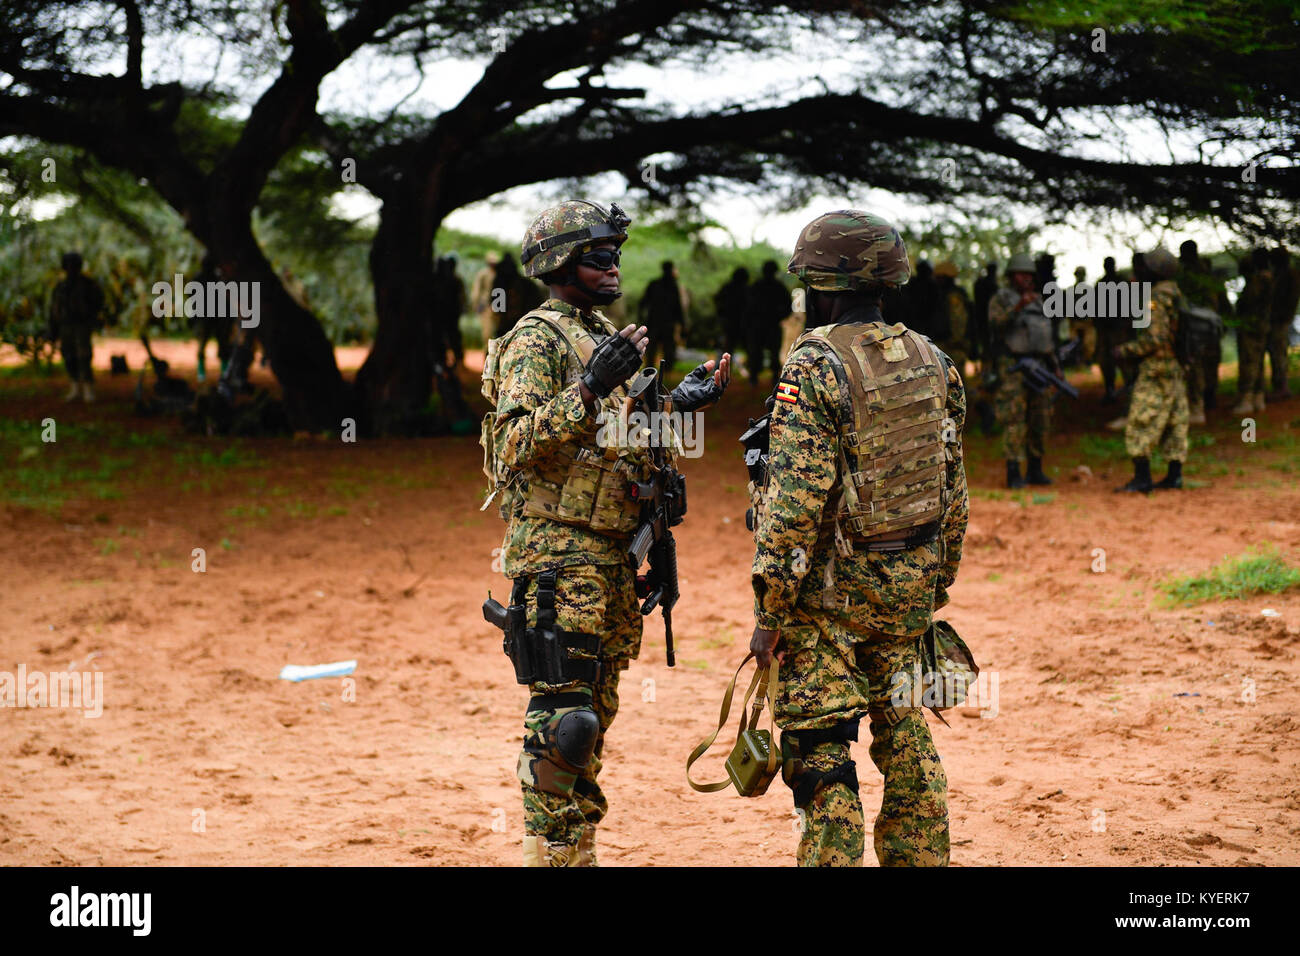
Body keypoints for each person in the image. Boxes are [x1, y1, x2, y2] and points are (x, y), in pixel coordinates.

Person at [482, 199, 730, 867]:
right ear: (559, 264)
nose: (613, 264)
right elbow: (515, 445)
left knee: (592, 724)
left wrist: (678, 402)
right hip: (561, 558)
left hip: (612, 559)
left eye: (615, 252)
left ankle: (574, 854)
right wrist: (591, 384)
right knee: (565, 724)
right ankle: (554, 856)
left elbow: (615, 438)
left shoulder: (601, 333)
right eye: (598, 256)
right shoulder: (537, 339)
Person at [748, 209, 968, 867]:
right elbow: (953, 491)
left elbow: (794, 508)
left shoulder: (814, 365)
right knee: (905, 731)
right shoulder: (936, 362)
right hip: (907, 587)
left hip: (827, 598)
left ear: (821, 281)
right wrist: (935, 580)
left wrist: (770, 611)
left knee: (819, 744)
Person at [1115, 247, 1188, 492]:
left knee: (1141, 419)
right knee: (1175, 420)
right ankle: (1174, 476)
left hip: (1156, 366)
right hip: (1175, 366)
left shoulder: (1155, 298)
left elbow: (1154, 339)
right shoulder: (1176, 294)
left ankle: (1142, 478)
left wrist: (1124, 351)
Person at [988, 252, 1055, 487]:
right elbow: (995, 323)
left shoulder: (1038, 301)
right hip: (1013, 367)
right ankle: (1014, 471)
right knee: (1014, 419)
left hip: (1039, 365)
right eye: (1021, 273)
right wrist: (1017, 307)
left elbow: (1046, 336)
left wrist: (1055, 367)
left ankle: (1036, 468)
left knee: (1040, 417)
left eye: (1029, 274)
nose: (1025, 278)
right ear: (1011, 275)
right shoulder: (1002, 299)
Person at [49, 251, 105, 402]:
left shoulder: (87, 285)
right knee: (69, 355)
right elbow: (54, 309)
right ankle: (75, 387)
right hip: (66, 325)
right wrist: (53, 328)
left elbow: (98, 303)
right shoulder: (61, 287)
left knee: (84, 355)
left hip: (81, 325)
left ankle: (87, 387)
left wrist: (90, 318)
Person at [1232, 248, 1273, 415]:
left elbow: (1249, 303)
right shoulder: (1267, 279)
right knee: (1257, 362)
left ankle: (1248, 398)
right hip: (1260, 326)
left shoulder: (1259, 281)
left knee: (1249, 362)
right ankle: (1257, 396)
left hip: (1252, 327)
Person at [745, 260, 792, 385]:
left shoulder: (759, 286)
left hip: (765, 324)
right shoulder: (776, 287)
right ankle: (762, 376)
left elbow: (788, 307)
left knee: (765, 352)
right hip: (764, 324)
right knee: (762, 351)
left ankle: (760, 377)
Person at [637, 260, 686, 370]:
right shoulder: (672, 286)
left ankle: (653, 370)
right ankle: (663, 370)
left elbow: (642, 303)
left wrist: (641, 318)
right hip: (663, 323)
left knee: (658, 348)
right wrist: (682, 324)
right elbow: (678, 308)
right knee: (664, 348)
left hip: (656, 322)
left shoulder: (655, 284)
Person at [1094, 256, 1130, 403]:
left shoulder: (1122, 282)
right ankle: (1110, 390)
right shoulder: (1101, 284)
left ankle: (1128, 389)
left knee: (1123, 360)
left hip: (1119, 329)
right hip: (1106, 329)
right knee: (1106, 362)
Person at [490, 253, 545, 338]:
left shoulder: (500, 283)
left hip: (521, 325)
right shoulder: (500, 284)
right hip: (519, 326)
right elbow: (497, 309)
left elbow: (496, 309)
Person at [1267, 246, 1297, 400]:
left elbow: (1291, 298)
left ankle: (1282, 386)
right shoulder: (1280, 274)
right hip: (1277, 319)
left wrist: (1283, 316)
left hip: (1280, 320)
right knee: (1277, 352)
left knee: (1279, 353)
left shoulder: (1289, 275)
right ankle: (1279, 385)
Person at [933, 260, 970, 380]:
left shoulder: (953, 296)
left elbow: (958, 322)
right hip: (944, 345)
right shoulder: (942, 294)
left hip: (953, 348)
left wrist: (955, 341)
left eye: (940, 278)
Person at [714, 266, 750, 358]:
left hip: (736, 323)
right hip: (735, 323)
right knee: (728, 348)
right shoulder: (745, 290)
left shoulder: (728, 287)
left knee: (727, 348)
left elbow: (717, 300)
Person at [471, 251, 502, 344]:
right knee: (487, 332)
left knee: (497, 331)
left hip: (498, 306)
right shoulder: (483, 274)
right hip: (486, 305)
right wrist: (476, 304)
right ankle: (487, 352)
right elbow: (476, 290)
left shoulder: (499, 274)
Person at [971, 262, 998, 364]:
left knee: (987, 345)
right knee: (987, 345)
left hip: (983, 319)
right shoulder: (990, 284)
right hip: (984, 319)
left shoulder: (981, 283)